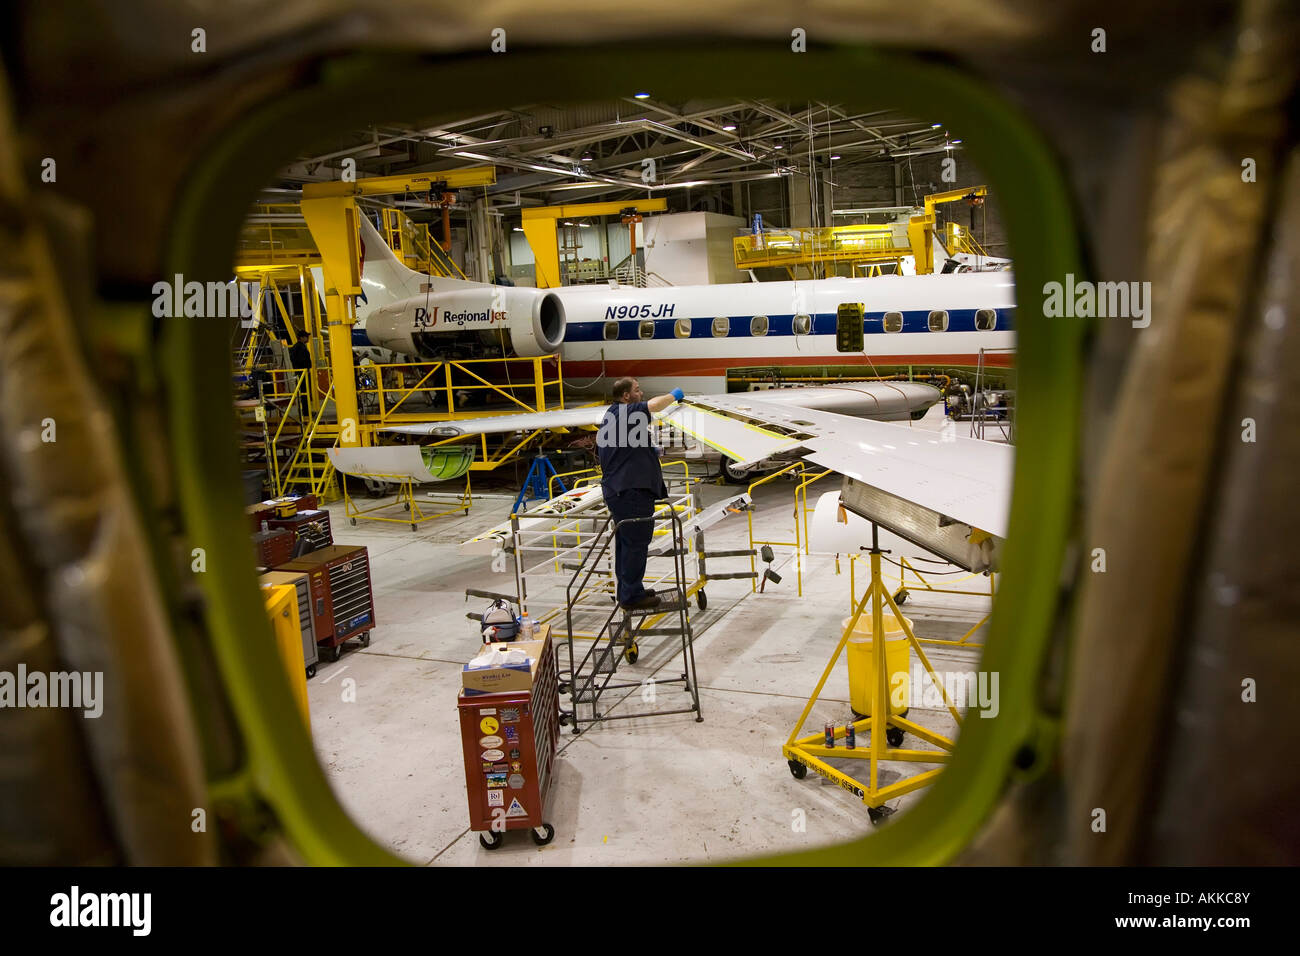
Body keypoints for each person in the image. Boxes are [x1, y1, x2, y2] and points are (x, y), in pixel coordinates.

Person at [596, 377, 685, 610]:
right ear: (626, 396)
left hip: (621, 491)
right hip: (630, 492)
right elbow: (654, 405)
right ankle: (631, 597)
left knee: (627, 544)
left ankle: (629, 589)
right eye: (637, 390)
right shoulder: (625, 412)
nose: (641, 393)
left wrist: (649, 450)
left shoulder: (613, 415)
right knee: (636, 544)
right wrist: (674, 394)